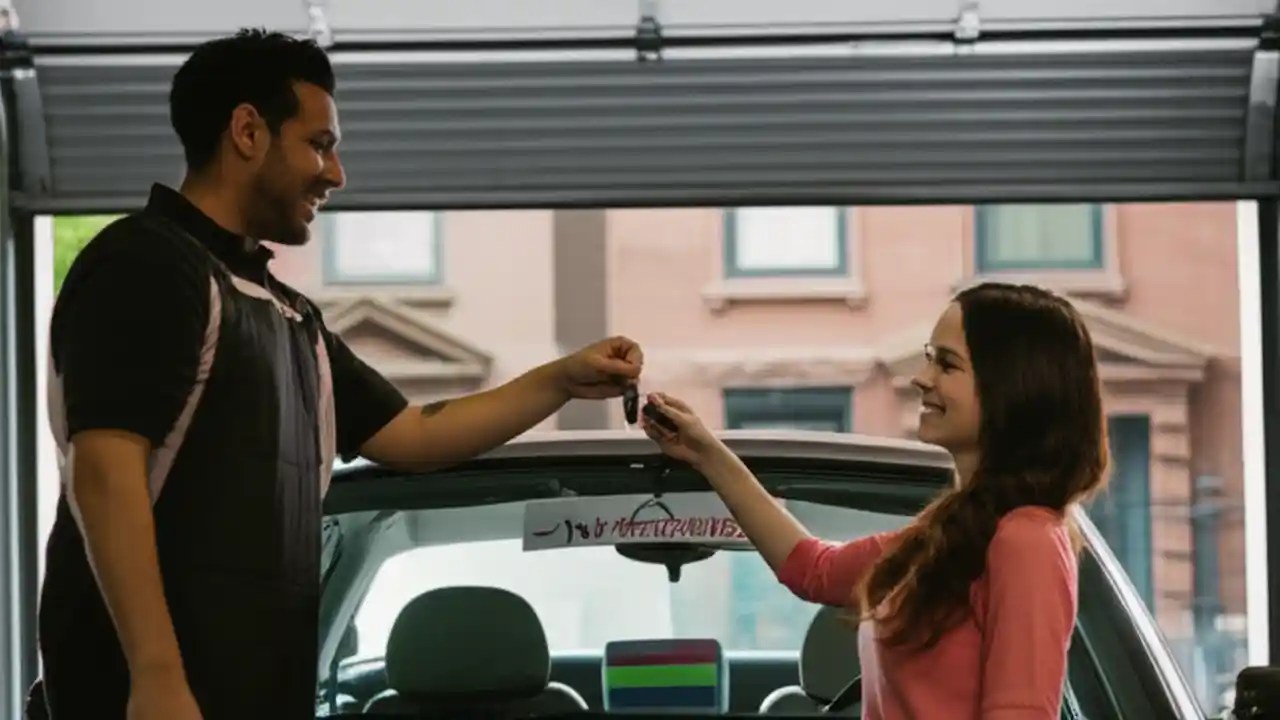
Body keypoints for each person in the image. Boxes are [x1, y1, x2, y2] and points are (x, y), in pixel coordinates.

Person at [33, 28, 644, 720]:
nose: (336, 173)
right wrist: (157, 680)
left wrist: (561, 379)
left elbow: (411, 435)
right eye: (320, 144)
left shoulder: (291, 318)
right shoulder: (149, 266)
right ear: (246, 131)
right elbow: (105, 469)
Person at [642, 282, 1109, 720]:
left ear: (1013, 387)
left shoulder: (1026, 540)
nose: (921, 379)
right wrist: (705, 452)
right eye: (930, 359)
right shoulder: (952, 532)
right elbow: (814, 570)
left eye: (946, 365)